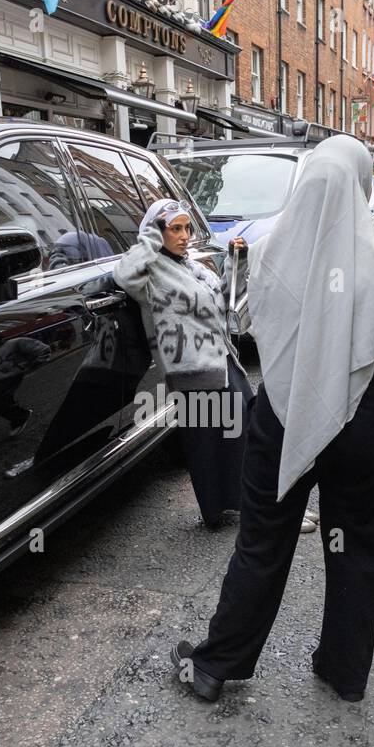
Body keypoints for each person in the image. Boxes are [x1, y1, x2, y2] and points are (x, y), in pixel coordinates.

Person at [171, 135, 374, 704]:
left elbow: (255, 328)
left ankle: (216, 664)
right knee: (357, 543)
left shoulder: (273, 249)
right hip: (362, 413)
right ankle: (343, 669)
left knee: (261, 541)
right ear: (362, 184)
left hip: (281, 408)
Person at [114, 199, 253, 529]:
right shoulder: (150, 270)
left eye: (187, 228)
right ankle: (233, 511)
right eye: (175, 228)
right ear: (156, 231)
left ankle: (251, 506)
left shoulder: (192, 266)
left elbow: (226, 303)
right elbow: (124, 276)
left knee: (241, 431)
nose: (184, 235)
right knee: (207, 443)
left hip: (220, 358)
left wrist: (236, 263)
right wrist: (149, 236)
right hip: (190, 369)